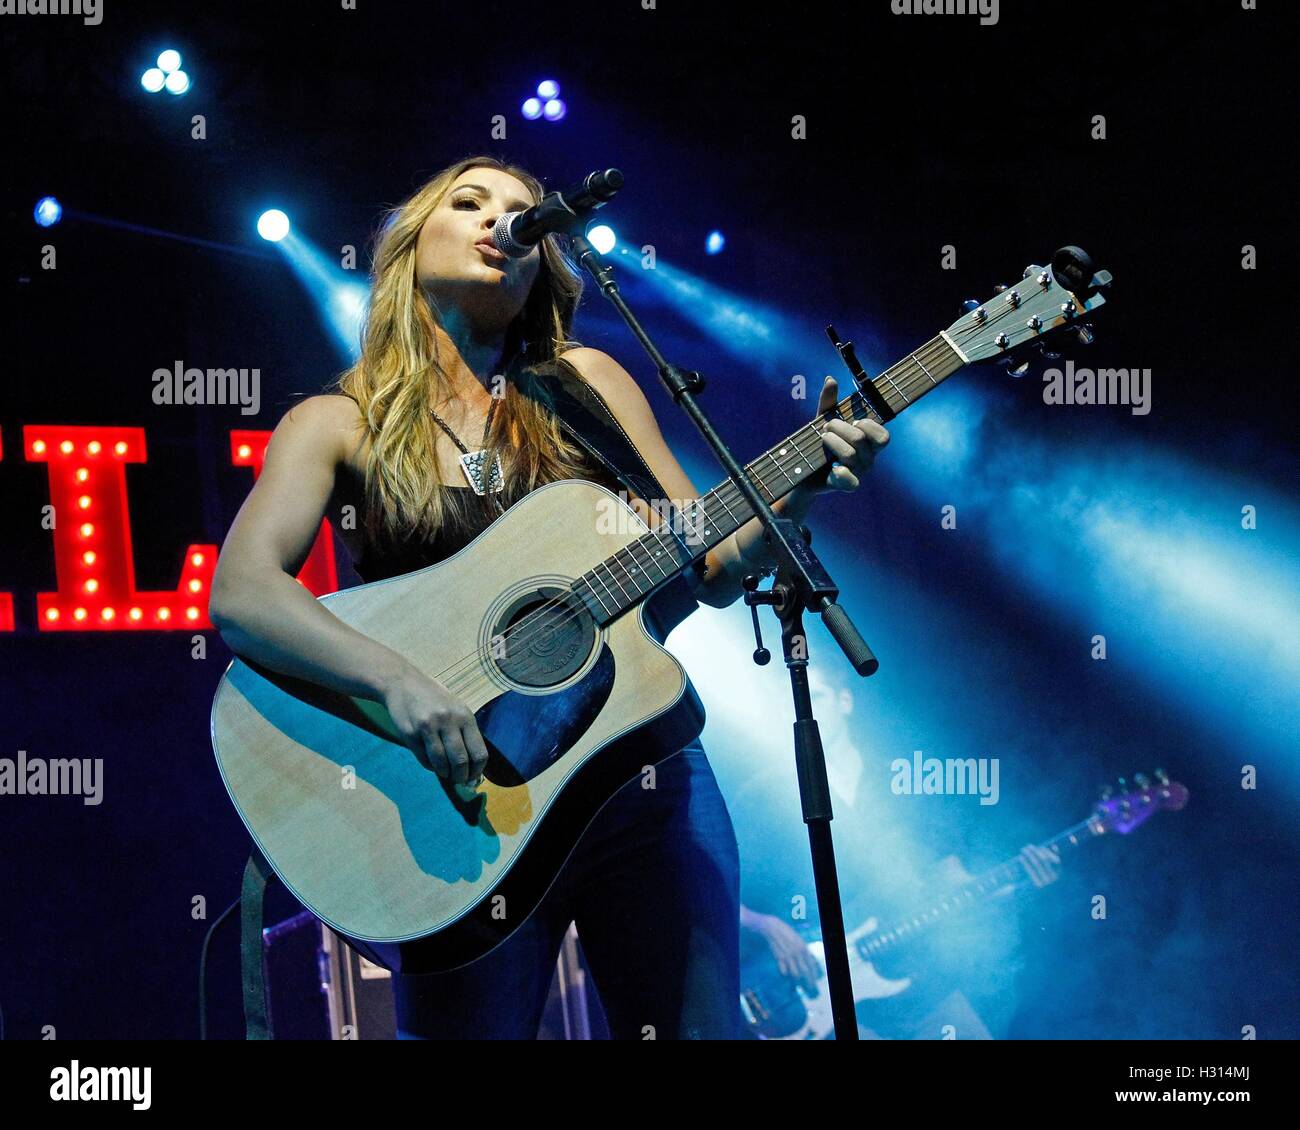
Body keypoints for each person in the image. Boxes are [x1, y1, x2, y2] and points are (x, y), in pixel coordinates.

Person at [208, 154, 890, 1039]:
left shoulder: (589, 385)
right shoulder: (337, 422)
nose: (503, 220)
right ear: (410, 249)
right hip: (462, 809)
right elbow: (242, 593)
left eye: (526, 212)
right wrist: (395, 680)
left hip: (639, 783)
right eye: (470, 202)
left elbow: (711, 566)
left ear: (545, 262)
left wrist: (798, 493)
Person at [732, 665, 1060, 1038]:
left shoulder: (901, 780)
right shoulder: (760, 799)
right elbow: (718, 891)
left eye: (816, 697)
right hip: (821, 997)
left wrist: (1010, 884)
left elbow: (949, 874)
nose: (805, 712)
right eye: (787, 704)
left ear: (845, 700)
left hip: (921, 985)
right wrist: (768, 926)